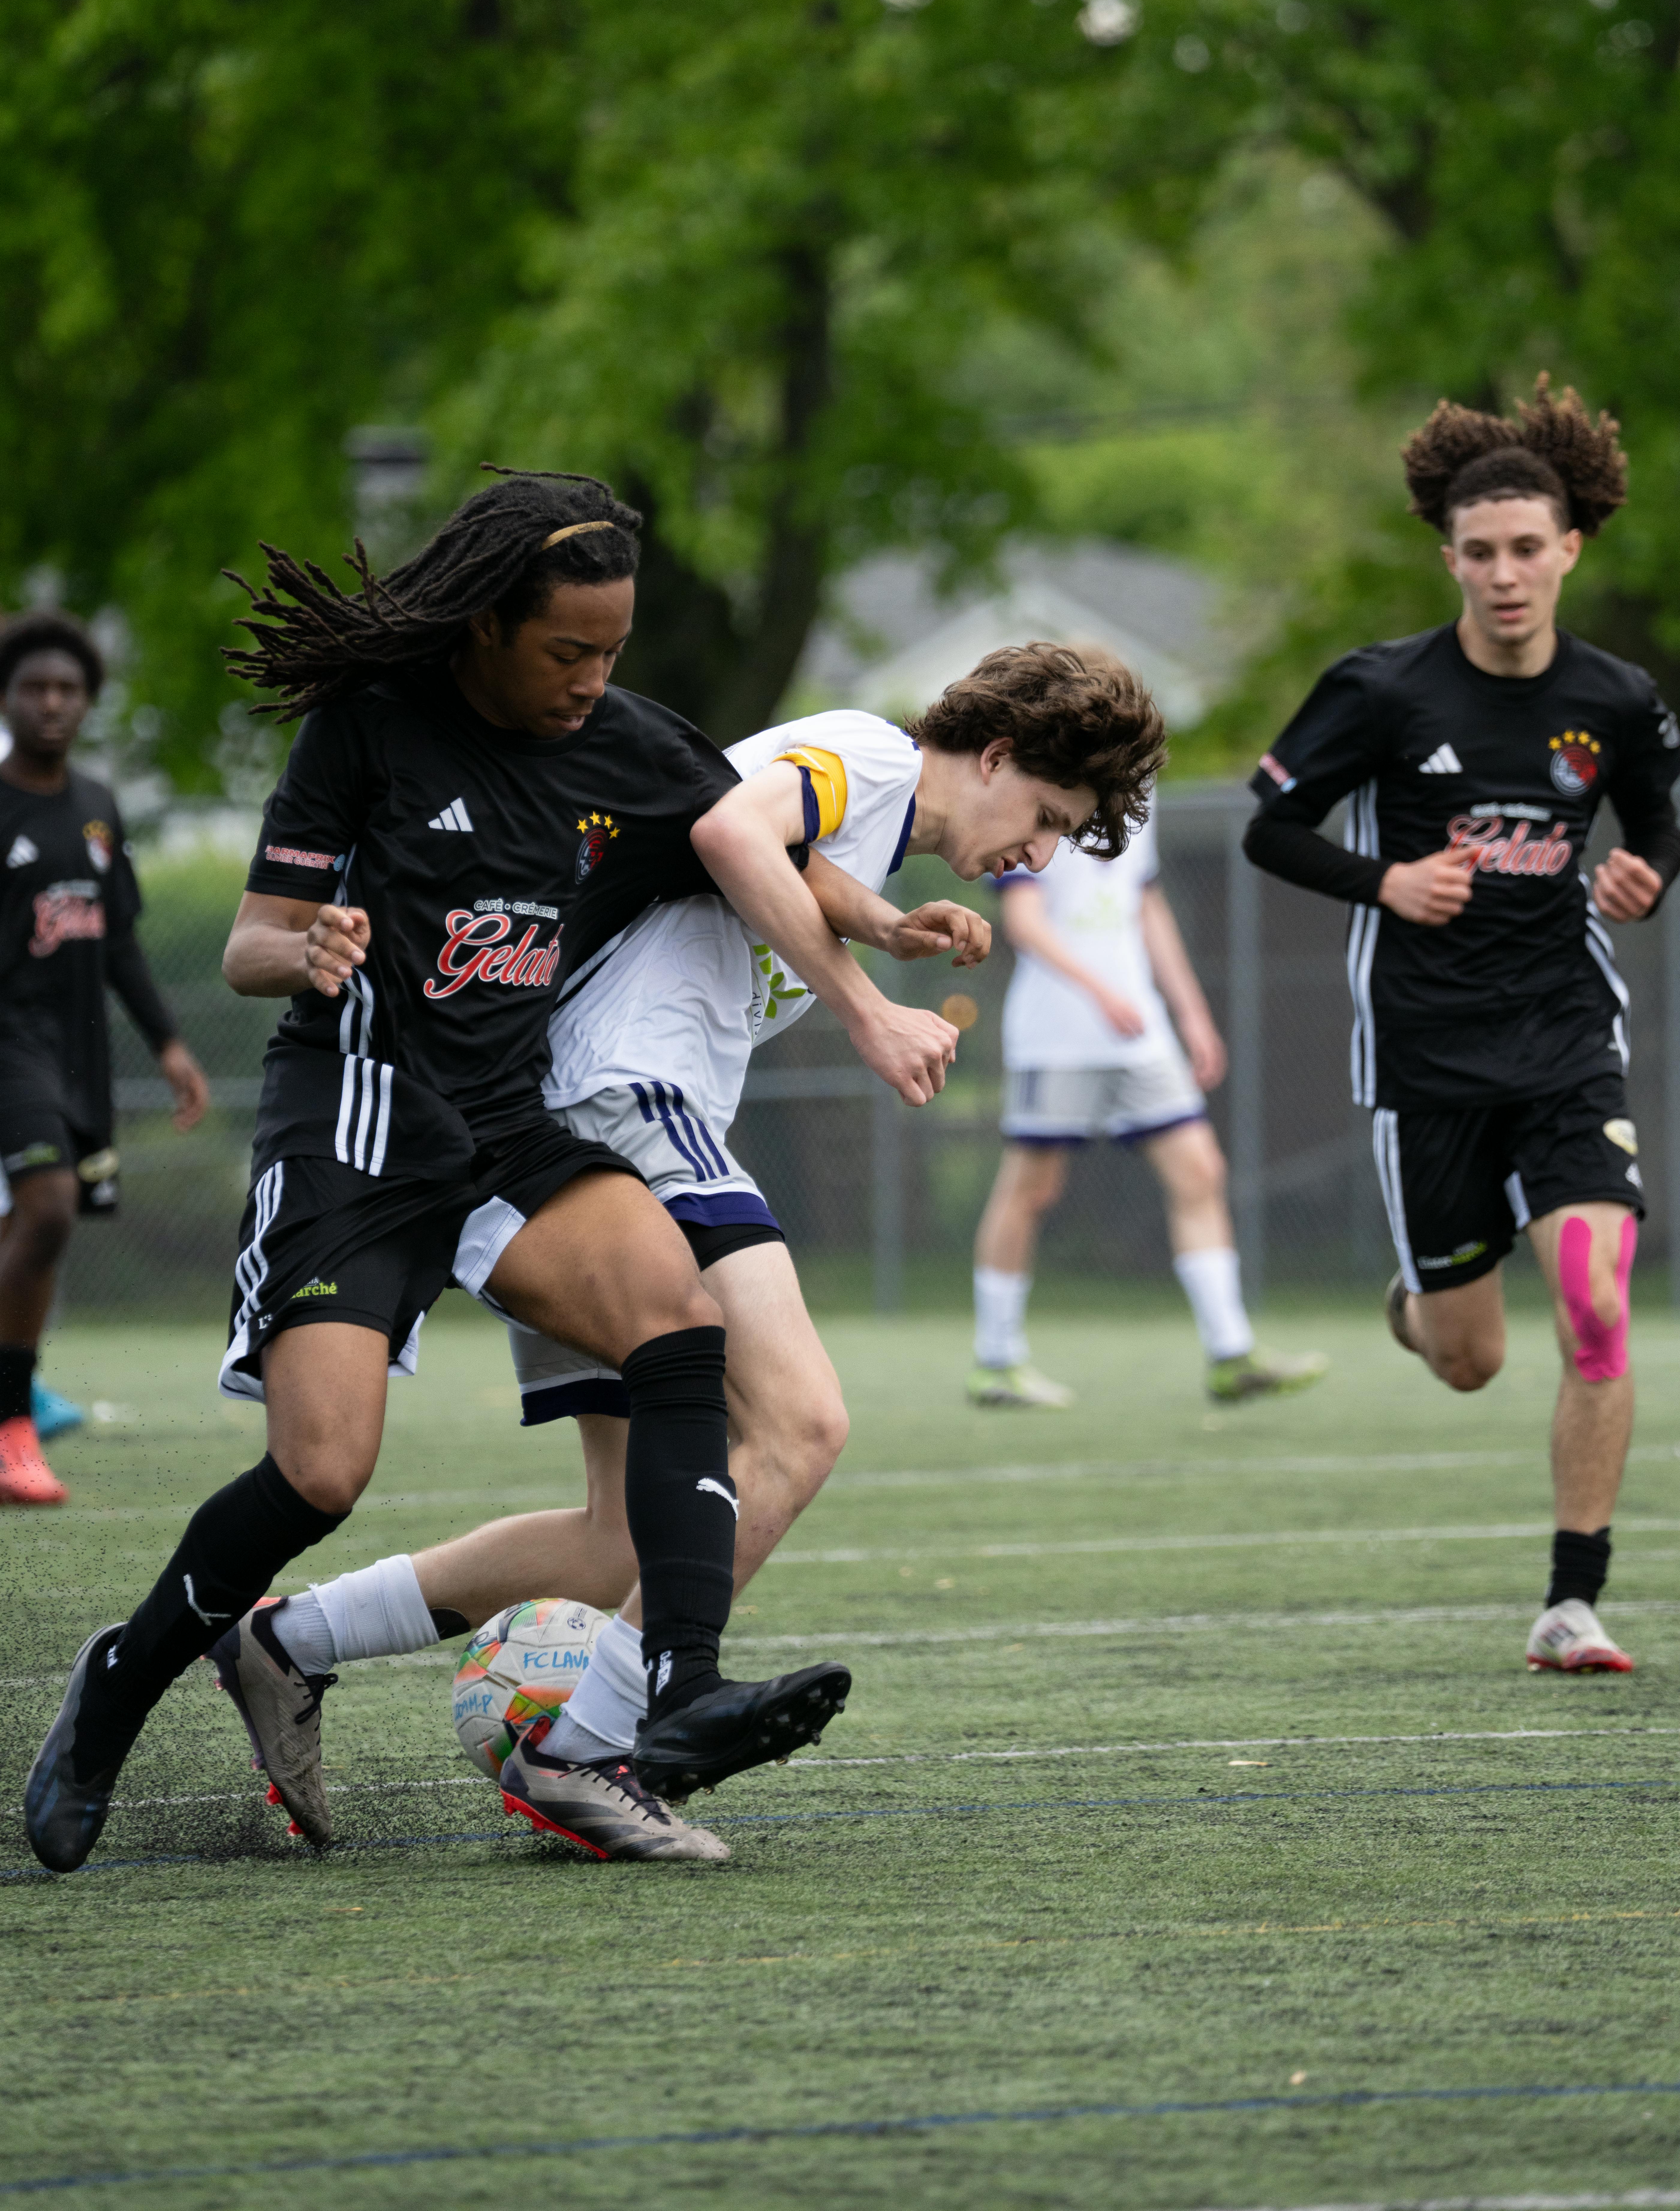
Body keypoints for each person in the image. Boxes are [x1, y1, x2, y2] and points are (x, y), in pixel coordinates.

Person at [25, 471, 956, 1875]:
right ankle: (121, 1683)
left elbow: (761, 842)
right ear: (480, 632)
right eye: (565, 652)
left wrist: (879, 931)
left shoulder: (629, 744)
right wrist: (313, 946)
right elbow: (251, 944)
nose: (593, 681)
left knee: (678, 1322)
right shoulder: (373, 729)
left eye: (613, 653)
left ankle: (681, 1691)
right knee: (322, 1473)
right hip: (356, 1128)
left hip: (507, 1131)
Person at [213, 644, 1166, 1853]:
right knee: (803, 1422)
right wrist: (871, 1010)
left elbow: (762, 838)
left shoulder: (863, 817)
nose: (1035, 854)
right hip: (624, 1098)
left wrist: (880, 920)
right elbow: (732, 832)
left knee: (622, 1529)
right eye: (1046, 817)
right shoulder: (872, 754)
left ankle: (285, 1642)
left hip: (556, 1138)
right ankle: (588, 1746)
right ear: (993, 755)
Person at [1244, 378, 1680, 1675]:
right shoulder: (1380, 692)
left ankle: (1571, 1601)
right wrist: (1384, 879)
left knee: (1597, 1306)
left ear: (1569, 552)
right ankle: (1424, 1306)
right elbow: (1273, 825)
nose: (1505, 575)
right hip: (1426, 1054)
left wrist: (1645, 870)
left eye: (1527, 550)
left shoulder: (1614, 695)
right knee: (1473, 1361)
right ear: (1451, 559)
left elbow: (1659, 813)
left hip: (1562, 1034)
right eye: (1480, 553)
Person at [968, 686, 1329, 1408]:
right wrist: (1099, 991)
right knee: (1033, 1189)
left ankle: (1231, 1352)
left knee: (1200, 1169)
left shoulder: (1139, 798)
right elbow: (1027, 923)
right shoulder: (1038, 797)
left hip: (1141, 1039)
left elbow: (1147, 904)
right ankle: (997, 1359)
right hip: (1059, 1037)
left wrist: (1190, 1013)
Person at [0, 612, 209, 1506]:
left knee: (35, 1231)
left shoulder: (96, 805)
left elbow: (119, 942)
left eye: (68, 689)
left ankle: (11, 1426)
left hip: (79, 1054)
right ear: (7, 700)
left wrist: (168, 1044)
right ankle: (11, 1424)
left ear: (87, 703)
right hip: (8, 1043)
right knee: (45, 1211)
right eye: (34, 688)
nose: (52, 703)